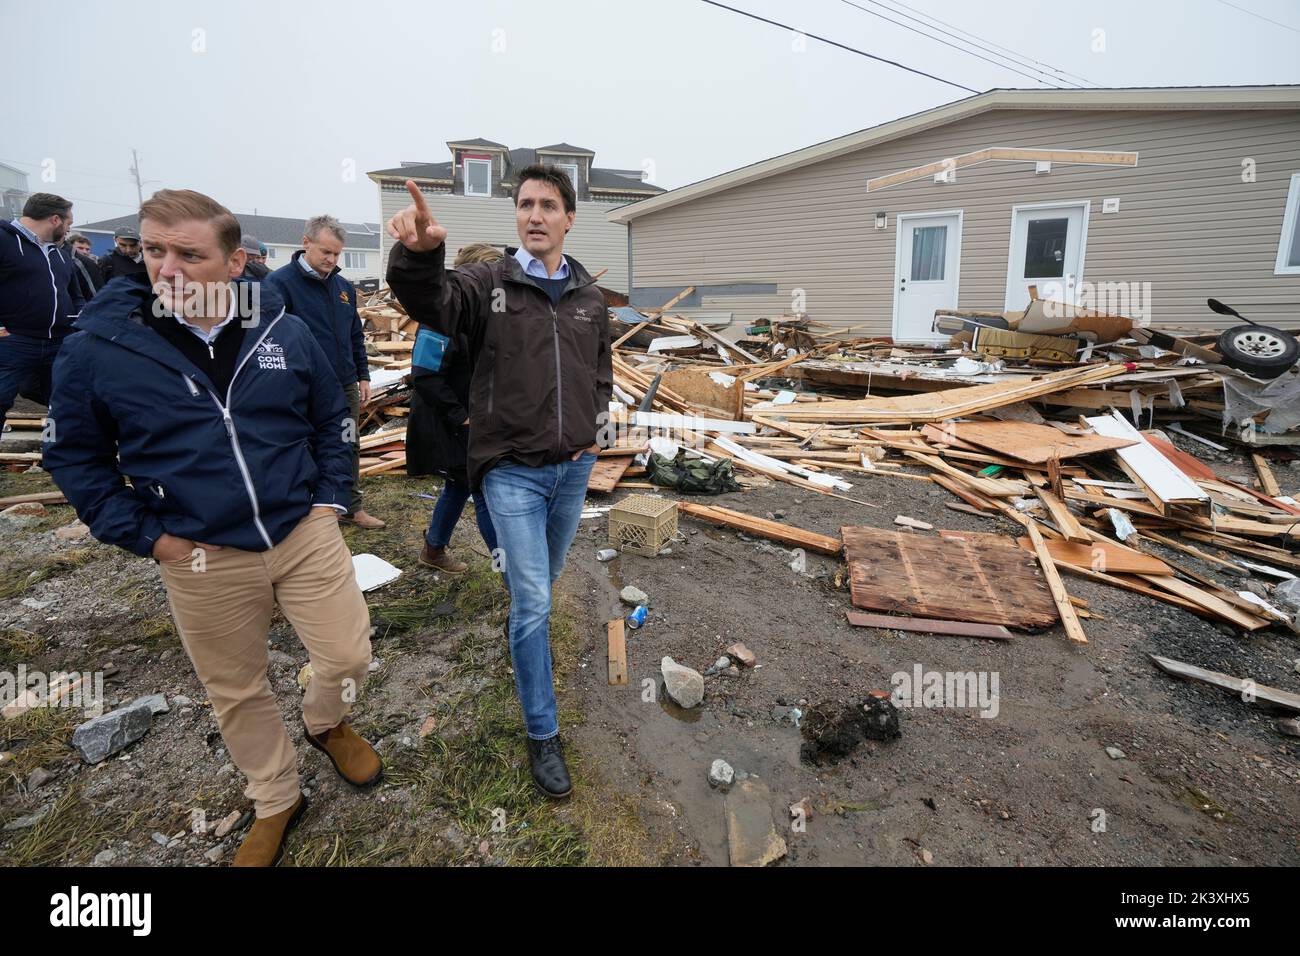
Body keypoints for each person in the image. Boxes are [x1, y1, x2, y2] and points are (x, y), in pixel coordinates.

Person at [43, 189, 381, 867]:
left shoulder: (281, 329)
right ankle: (276, 796)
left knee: (347, 656)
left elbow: (329, 419)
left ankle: (325, 722)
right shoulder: (99, 348)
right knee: (236, 686)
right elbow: (74, 455)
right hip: (200, 552)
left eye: (189, 254)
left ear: (233, 264)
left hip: (300, 529)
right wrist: (149, 537)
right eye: (154, 250)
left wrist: (333, 495)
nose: (166, 268)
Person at [386, 166, 609, 798]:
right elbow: (434, 302)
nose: (534, 215)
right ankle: (543, 733)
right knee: (533, 599)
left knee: (542, 579)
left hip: (571, 470)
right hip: (510, 471)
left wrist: (592, 435)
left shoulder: (590, 297)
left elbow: (600, 374)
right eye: (524, 205)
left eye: (547, 205)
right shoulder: (489, 283)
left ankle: (521, 623)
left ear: (570, 217)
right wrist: (418, 257)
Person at [266, 215, 383, 529]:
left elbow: (354, 335)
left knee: (348, 441)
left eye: (336, 254)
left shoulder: (343, 287)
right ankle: (310, 511)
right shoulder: (279, 284)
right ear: (306, 243)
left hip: (343, 383)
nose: (331, 260)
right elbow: (267, 339)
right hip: (302, 385)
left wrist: (363, 375)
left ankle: (350, 506)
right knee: (307, 443)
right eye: (325, 252)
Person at [407, 243, 501, 573]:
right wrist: (460, 417)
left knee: (460, 484)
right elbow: (424, 375)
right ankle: (511, 575)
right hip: (450, 421)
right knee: (483, 489)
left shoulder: (483, 315)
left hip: (470, 418)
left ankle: (433, 550)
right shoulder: (439, 319)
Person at [0, 193, 85, 420]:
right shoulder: (5, 240)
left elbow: (74, 295)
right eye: (68, 223)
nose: (68, 230)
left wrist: (78, 322)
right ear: (55, 220)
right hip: (13, 343)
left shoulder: (59, 254)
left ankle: (60, 454)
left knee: (63, 403)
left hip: (58, 343)